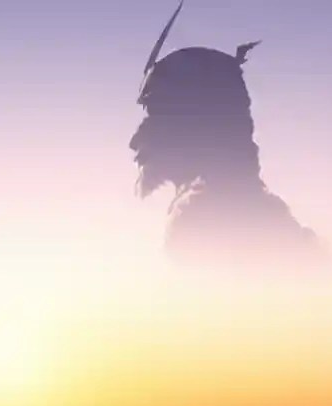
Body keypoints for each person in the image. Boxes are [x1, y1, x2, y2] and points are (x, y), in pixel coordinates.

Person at [131, 1, 319, 269]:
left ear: (197, 126)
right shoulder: (264, 220)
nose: (135, 141)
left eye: (156, 117)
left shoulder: (207, 227)